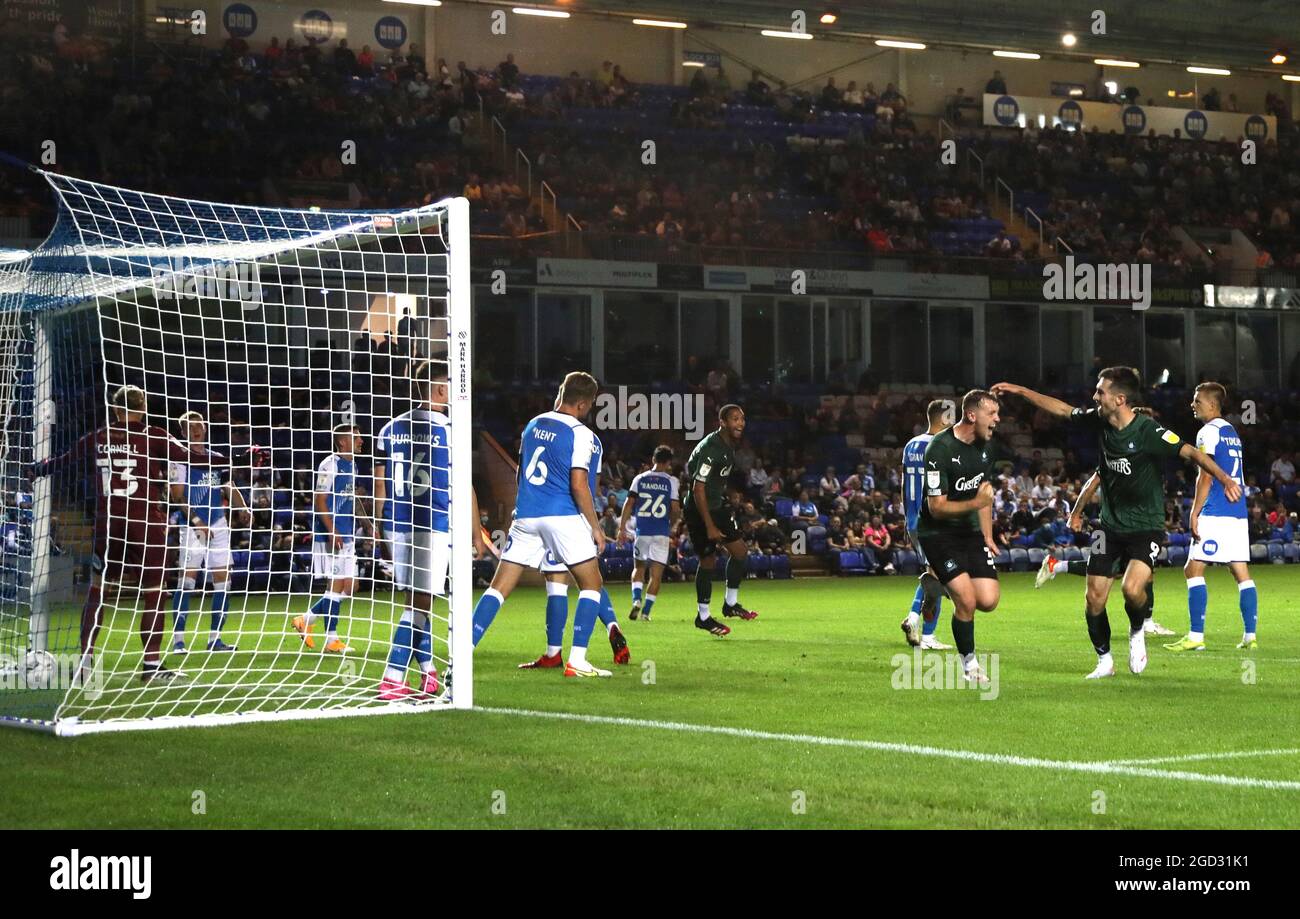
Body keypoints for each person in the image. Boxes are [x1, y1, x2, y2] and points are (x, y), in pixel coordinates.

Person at [993, 368, 1242, 679]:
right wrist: (1019, 390)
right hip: (1107, 527)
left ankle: (1137, 630)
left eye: (1101, 392)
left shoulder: (1149, 432)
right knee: (1094, 595)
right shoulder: (1099, 419)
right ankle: (1105, 661)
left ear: (1120, 398)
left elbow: (1191, 452)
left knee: (1132, 588)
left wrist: (1225, 478)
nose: (1095, 396)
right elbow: (1061, 409)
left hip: (1145, 526)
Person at [36, 385, 215, 684]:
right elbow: (193, 458)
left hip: (108, 526)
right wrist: (236, 459)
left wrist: (37, 470)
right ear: (143, 407)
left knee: (97, 591)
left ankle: (85, 664)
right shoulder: (154, 435)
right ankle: (152, 666)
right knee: (155, 593)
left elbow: (64, 460)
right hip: (145, 525)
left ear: (115, 408)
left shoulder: (99, 436)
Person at [470, 372, 612, 678]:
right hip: (561, 516)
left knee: (498, 588)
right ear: (585, 403)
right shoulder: (581, 433)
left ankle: (463, 651)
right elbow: (579, 484)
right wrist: (596, 527)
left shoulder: (533, 425)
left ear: (561, 393)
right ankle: (577, 661)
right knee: (592, 584)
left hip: (527, 515)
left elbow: (521, 471)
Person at [913, 390, 1010, 687]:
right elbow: (937, 507)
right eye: (991, 413)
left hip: (969, 532)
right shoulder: (939, 450)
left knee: (989, 600)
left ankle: (939, 585)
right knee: (966, 602)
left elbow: (986, 495)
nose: (997, 419)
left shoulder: (987, 448)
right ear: (971, 415)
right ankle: (970, 665)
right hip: (937, 532)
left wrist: (988, 535)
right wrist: (976, 503)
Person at [1166, 382, 1258, 652]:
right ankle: (1250, 636)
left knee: (1192, 570)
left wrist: (1194, 512)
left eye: (1197, 401)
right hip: (1237, 510)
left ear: (1211, 404)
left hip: (1216, 511)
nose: (1192, 405)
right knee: (1240, 571)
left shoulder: (1207, 432)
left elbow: (1205, 474)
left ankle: (1196, 636)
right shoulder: (1231, 431)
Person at [169, 411, 252, 654]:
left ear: (205, 429)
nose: (197, 429)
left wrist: (243, 507)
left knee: (223, 582)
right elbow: (177, 495)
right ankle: (179, 642)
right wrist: (196, 520)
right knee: (187, 582)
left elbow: (228, 486)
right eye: (190, 427)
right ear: (183, 433)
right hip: (193, 527)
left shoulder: (216, 458)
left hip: (218, 524)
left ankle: (215, 640)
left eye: (200, 425)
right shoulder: (180, 459)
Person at [684, 405, 759, 637]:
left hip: (717, 506)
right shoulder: (711, 448)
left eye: (742, 419)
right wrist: (709, 525)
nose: (740, 423)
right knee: (707, 560)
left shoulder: (727, 446)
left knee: (740, 552)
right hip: (699, 510)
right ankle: (703, 617)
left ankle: (730, 604)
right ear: (722, 422)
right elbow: (698, 489)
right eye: (735, 419)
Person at [293, 424, 364, 655]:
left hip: (347, 532)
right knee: (335, 586)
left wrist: (367, 523)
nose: (361, 441)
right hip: (331, 534)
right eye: (356, 437)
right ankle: (332, 639)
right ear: (342, 442)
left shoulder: (352, 465)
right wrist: (332, 530)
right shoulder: (329, 464)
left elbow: (352, 498)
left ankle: (305, 619)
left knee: (351, 586)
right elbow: (320, 500)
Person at [899, 399, 953, 649]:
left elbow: (903, 483)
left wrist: (905, 516)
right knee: (938, 576)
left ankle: (915, 621)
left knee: (934, 573)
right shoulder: (941, 445)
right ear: (944, 418)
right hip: (932, 518)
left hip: (912, 518)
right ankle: (925, 631)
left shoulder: (910, 445)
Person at [619, 445, 680, 622]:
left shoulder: (640, 479)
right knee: (656, 575)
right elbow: (676, 508)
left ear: (653, 459)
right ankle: (646, 612)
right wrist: (672, 524)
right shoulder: (671, 481)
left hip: (642, 532)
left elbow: (629, 504)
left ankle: (636, 599)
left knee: (638, 568)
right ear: (668, 463)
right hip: (661, 532)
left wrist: (622, 527)